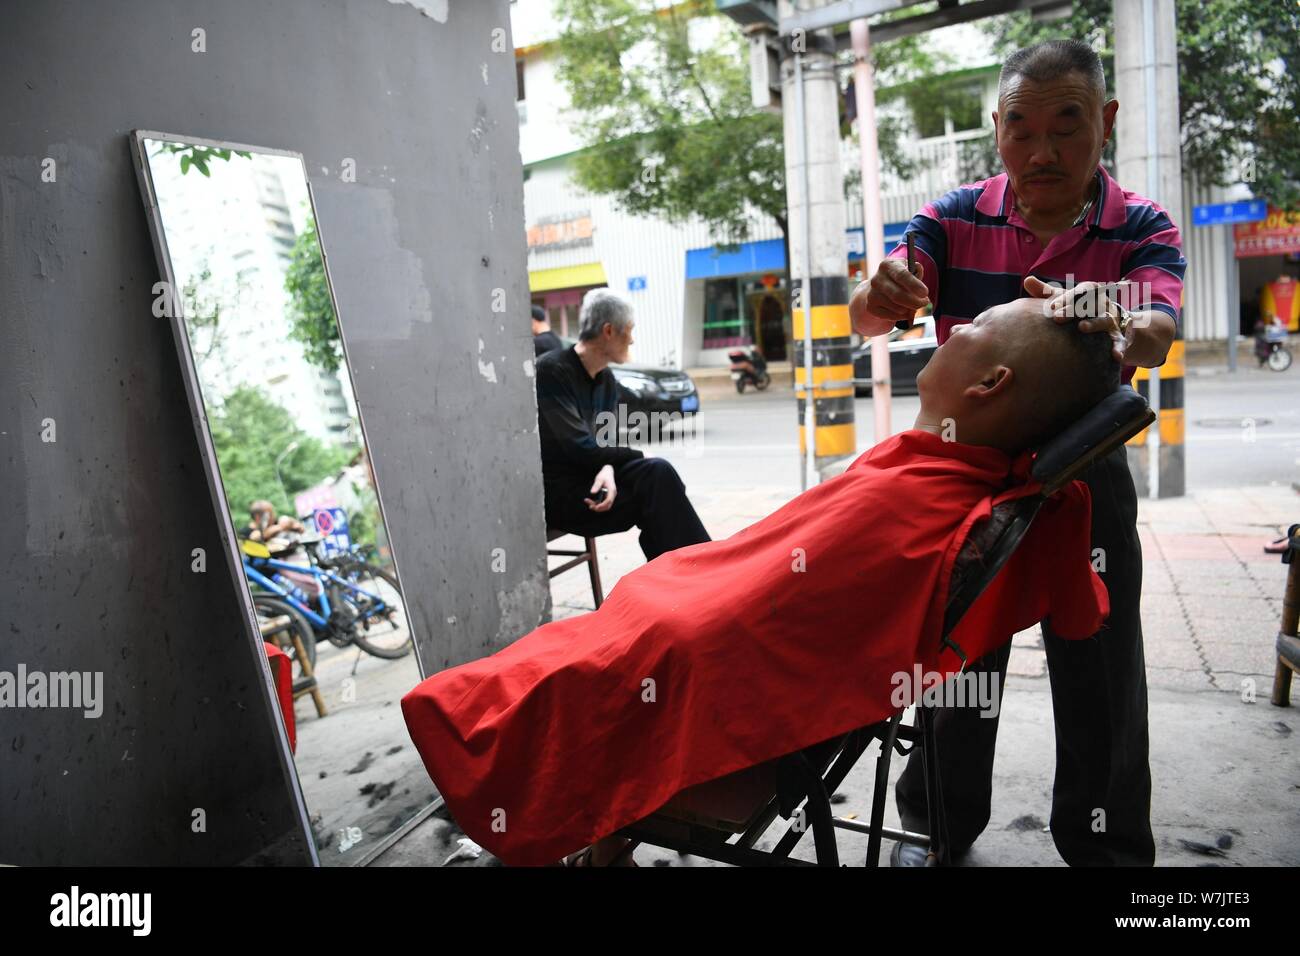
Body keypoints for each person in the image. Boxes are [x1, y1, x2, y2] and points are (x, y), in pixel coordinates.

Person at [403, 298, 1121, 867]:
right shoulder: (943, 482)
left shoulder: (919, 498)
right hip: (693, 585)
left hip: (699, 636)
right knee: (635, 583)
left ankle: (504, 773)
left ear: (990, 383)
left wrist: (689, 586)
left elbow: (775, 610)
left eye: (982, 325)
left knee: (537, 681)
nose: (959, 325)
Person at [849, 39, 1186, 867]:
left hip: (1084, 462)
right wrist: (878, 295)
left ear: (1104, 122)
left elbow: (1159, 327)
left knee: (1101, 656)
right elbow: (873, 311)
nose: (1042, 152)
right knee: (957, 652)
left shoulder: (1141, 225)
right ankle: (935, 820)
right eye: (1020, 128)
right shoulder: (949, 218)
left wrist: (1134, 322)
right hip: (966, 466)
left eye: (1067, 126)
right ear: (995, 128)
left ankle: (1106, 846)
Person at [535, 288, 710, 561]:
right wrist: (635, 454)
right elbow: (579, 448)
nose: (632, 339)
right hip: (564, 495)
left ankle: (690, 570)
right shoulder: (551, 371)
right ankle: (694, 570)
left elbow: (603, 443)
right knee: (658, 496)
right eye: (629, 330)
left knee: (658, 474)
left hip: (595, 481)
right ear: (609, 331)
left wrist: (607, 466)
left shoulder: (606, 381)